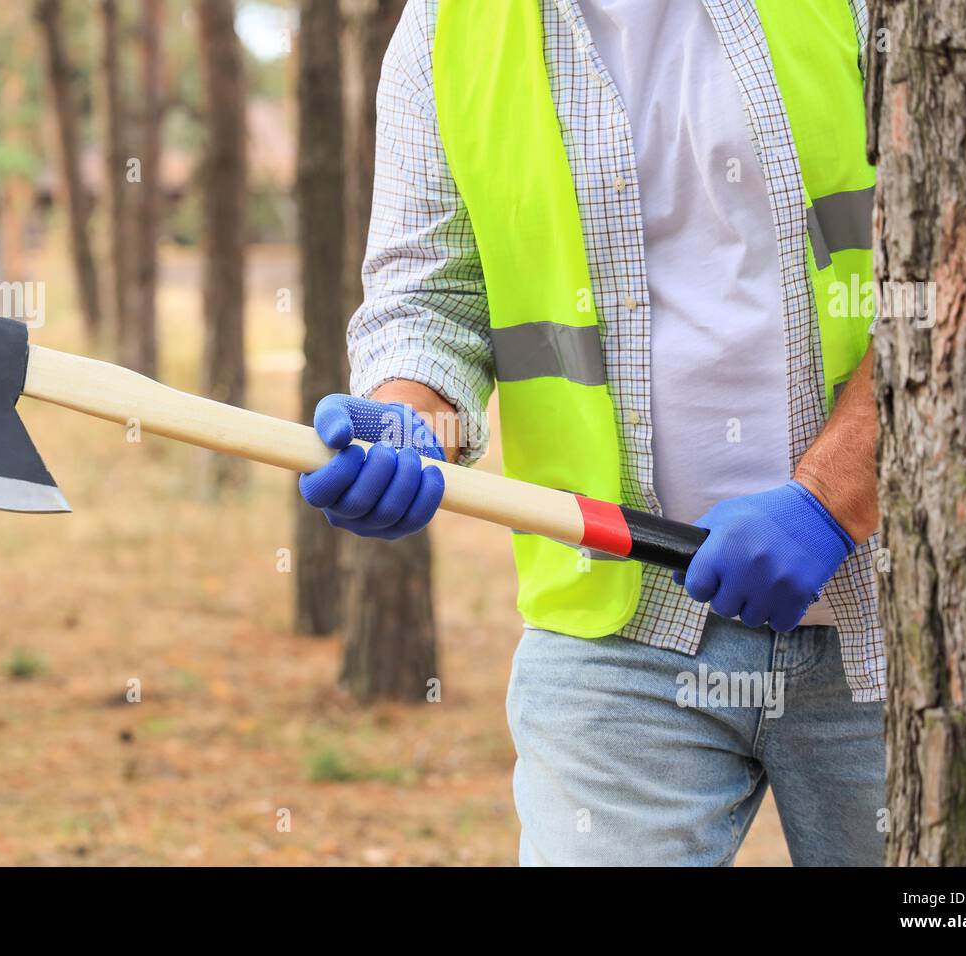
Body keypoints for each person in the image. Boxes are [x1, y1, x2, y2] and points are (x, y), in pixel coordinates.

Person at [300, 0, 884, 866]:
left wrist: (833, 497)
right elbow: (429, 298)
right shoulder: (448, 28)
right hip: (619, 640)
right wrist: (409, 420)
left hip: (901, 619)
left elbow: (965, 269)